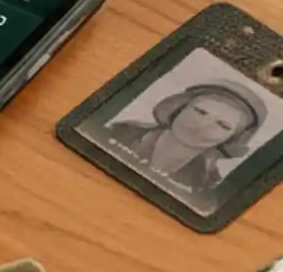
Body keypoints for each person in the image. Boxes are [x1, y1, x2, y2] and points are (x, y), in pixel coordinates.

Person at [107, 80, 267, 193]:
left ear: (232, 140)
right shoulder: (122, 131)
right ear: (179, 108)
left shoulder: (207, 184)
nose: (202, 126)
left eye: (223, 125)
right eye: (201, 112)